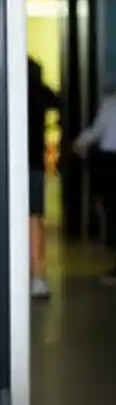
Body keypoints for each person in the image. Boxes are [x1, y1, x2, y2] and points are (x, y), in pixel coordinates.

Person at [74, 84, 116, 285]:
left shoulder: (110, 103)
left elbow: (96, 131)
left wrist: (79, 145)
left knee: (113, 212)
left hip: (111, 164)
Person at [27, 58, 60, 299]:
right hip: (33, 163)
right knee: (35, 218)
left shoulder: (5, 90)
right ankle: (38, 277)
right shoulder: (40, 91)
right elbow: (57, 101)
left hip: (7, 164)